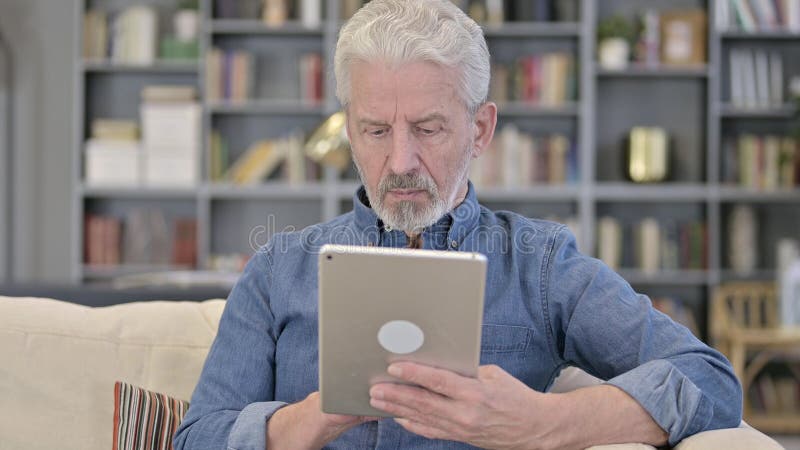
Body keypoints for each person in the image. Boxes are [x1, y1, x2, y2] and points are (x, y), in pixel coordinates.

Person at [174, 1, 742, 449]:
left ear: (480, 130)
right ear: (349, 131)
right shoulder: (278, 270)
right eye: (376, 131)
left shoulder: (540, 266)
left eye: (428, 129)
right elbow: (198, 438)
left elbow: (710, 380)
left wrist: (543, 422)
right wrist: (311, 418)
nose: (399, 163)